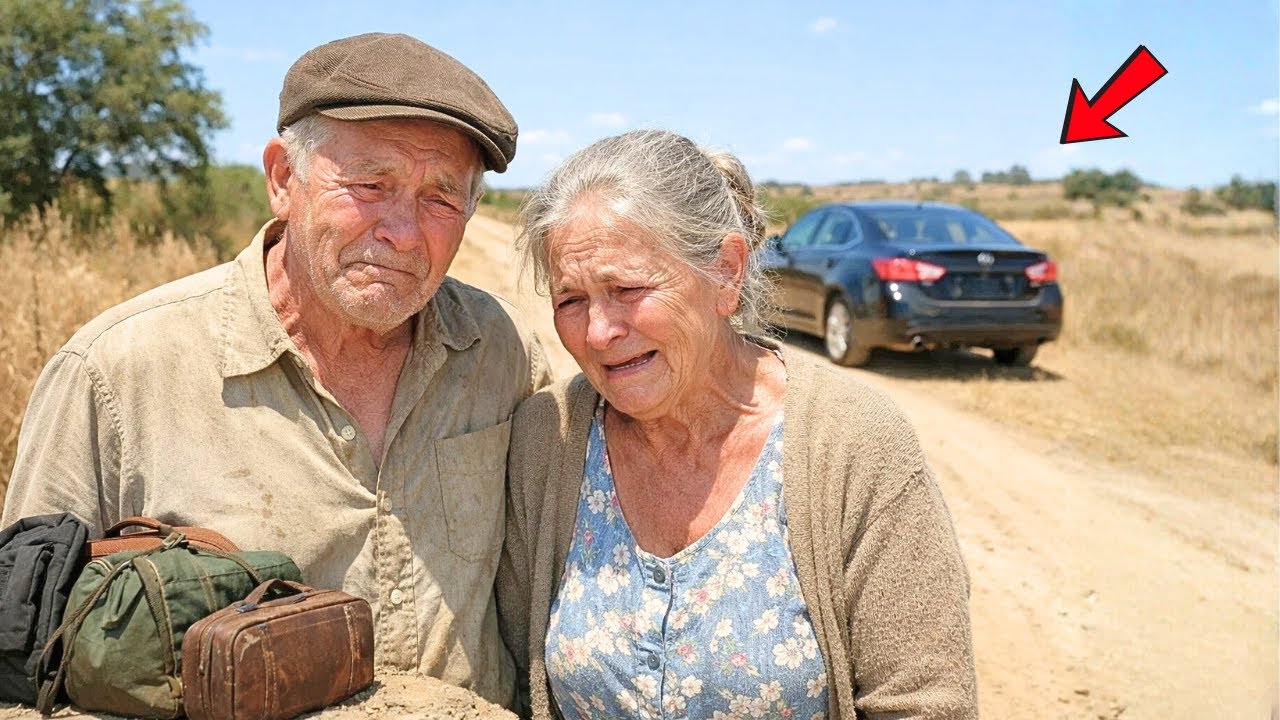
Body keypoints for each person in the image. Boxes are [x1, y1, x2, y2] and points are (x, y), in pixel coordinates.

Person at [2, 33, 550, 707]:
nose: (404, 230)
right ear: (283, 180)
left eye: (441, 197)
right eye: (370, 184)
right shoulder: (115, 372)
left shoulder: (502, 353)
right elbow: (25, 656)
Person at [497, 129, 977, 719]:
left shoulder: (855, 443)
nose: (598, 332)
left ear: (726, 273)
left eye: (628, 289)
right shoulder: (550, 438)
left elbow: (924, 705)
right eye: (570, 299)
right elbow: (518, 682)